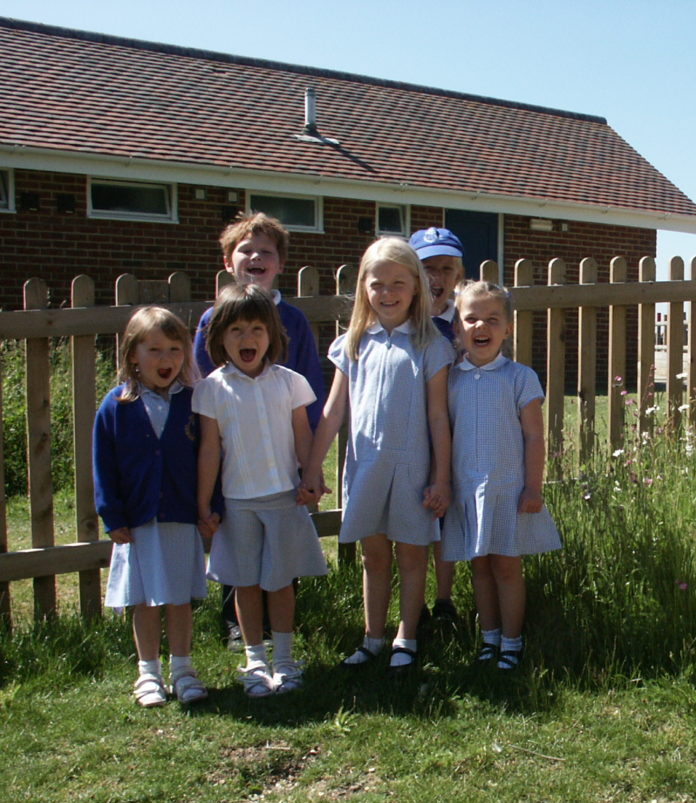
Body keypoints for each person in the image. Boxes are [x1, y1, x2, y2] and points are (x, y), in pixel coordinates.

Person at [302, 237, 453, 675]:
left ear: (416, 288)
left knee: (411, 554)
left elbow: (439, 418)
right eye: (377, 284)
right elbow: (332, 412)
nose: (387, 293)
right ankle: (372, 637)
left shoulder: (430, 345)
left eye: (398, 283)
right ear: (363, 288)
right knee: (374, 555)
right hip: (365, 467)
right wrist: (313, 466)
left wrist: (441, 479)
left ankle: (406, 635)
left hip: (412, 470)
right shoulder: (353, 343)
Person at [194, 213, 326, 650]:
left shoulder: (293, 321)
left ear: (280, 264)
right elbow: (202, 383)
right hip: (235, 455)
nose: (255, 257)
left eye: (265, 252)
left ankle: (282, 628)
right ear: (229, 261)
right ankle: (239, 626)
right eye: (246, 250)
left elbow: (308, 391)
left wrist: (309, 464)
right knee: (240, 544)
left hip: (283, 453)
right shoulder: (213, 319)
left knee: (281, 542)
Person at [93, 306, 211, 707]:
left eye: (175, 350)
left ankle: (183, 670)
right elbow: (103, 465)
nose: (167, 360)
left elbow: (209, 458)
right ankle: (148, 673)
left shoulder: (193, 402)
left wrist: (208, 506)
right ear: (132, 355)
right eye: (155, 350)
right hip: (138, 521)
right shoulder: (116, 406)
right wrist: (113, 515)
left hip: (180, 515)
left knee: (178, 597)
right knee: (143, 599)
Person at [441, 282, 562, 671]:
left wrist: (533, 486)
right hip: (467, 490)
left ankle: (512, 641)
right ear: (457, 329)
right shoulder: (448, 380)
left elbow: (533, 435)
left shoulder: (519, 377)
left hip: (508, 489)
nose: (482, 326)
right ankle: (488, 638)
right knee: (479, 565)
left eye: (492, 319)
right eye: (471, 318)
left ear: (507, 328)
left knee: (507, 566)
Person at [409, 226, 467, 627]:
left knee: (445, 516)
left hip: (454, 432)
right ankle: (412, 602)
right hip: (411, 434)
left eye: (446, 268)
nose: (437, 278)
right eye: (428, 267)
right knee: (413, 516)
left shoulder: (464, 324)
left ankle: (444, 600)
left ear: (457, 276)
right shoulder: (402, 322)